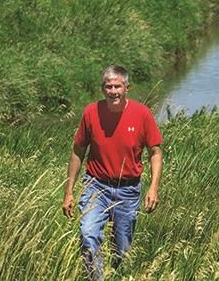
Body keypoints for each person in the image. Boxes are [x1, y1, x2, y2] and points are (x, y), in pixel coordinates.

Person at [61, 65, 163, 280]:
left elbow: (155, 152)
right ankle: (95, 277)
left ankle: (117, 276)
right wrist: (68, 192)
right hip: (96, 186)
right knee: (88, 234)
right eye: (109, 86)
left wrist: (153, 188)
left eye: (118, 86)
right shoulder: (91, 112)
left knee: (122, 250)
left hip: (128, 189)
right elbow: (78, 151)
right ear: (103, 89)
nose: (113, 91)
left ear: (127, 87)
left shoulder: (142, 114)